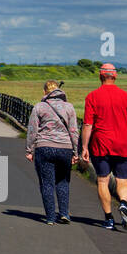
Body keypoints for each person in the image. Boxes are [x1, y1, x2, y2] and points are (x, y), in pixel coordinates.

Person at [80, 63, 127, 231]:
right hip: (123, 146)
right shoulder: (126, 97)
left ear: (100, 76)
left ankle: (108, 218)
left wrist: (84, 147)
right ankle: (123, 203)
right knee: (122, 180)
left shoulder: (92, 97)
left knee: (103, 180)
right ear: (115, 76)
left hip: (100, 145)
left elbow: (87, 124)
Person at [26, 80, 79, 225]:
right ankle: (64, 213)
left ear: (45, 92)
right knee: (63, 181)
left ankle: (50, 217)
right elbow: (74, 131)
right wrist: (76, 152)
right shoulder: (69, 107)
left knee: (47, 183)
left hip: (44, 148)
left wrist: (29, 149)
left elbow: (32, 130)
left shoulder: (39, 107)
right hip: (65, 149)